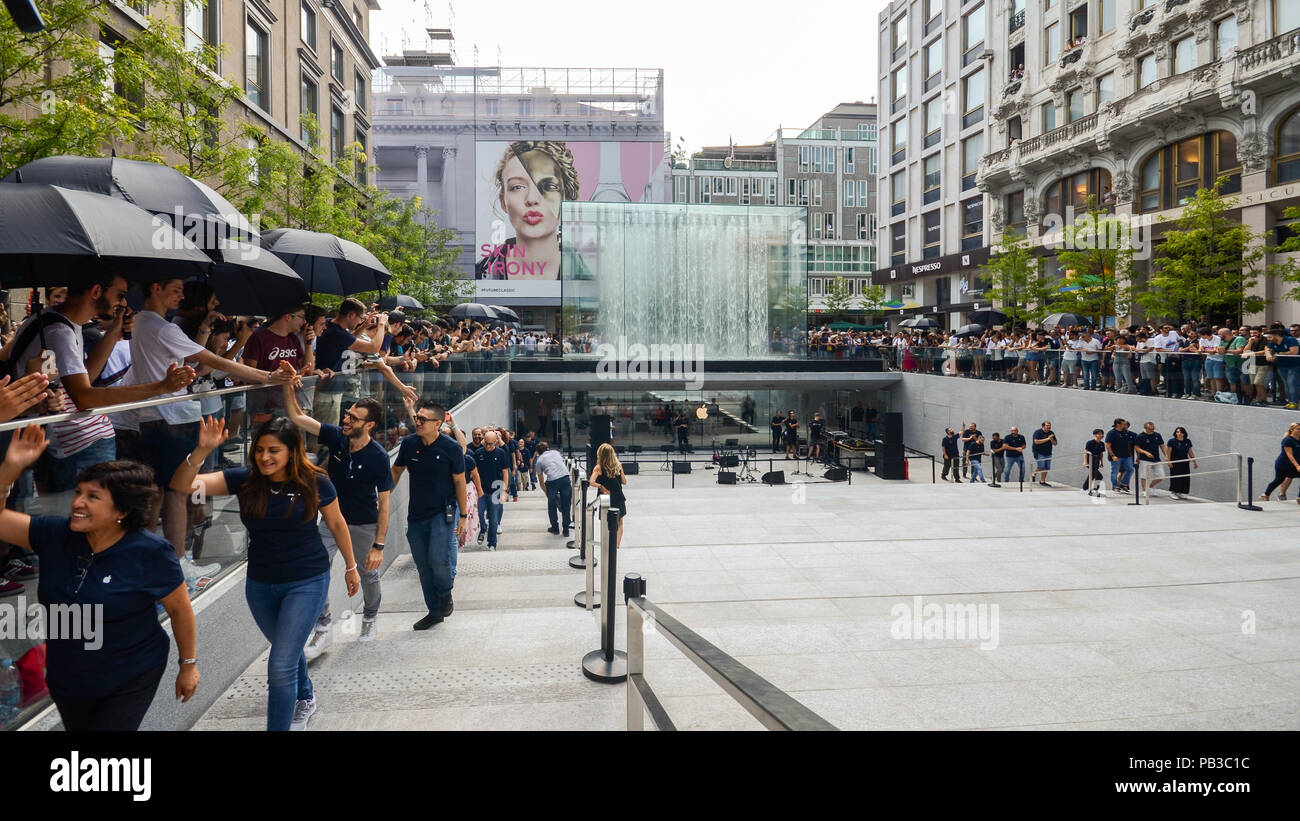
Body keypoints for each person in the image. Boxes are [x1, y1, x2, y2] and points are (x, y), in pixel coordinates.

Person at [0, 426, 198, 730]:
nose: (78, 502)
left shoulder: (150, 551)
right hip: (68, 678)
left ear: (121, 510)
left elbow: (180, 610)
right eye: (78, 493)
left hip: (130, 675)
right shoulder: (55, 534)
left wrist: (188, 665)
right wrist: (9, 470)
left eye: (93, 496)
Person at [173, 416, 356, 731]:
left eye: (274, 450)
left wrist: (351, 567)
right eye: (259, 450)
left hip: (307, 581)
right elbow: (182, 485)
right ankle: (306, 698)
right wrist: (202, 450)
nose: (265, 457)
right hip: (260, 585)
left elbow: (337, 523)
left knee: (280, 665)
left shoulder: (316, 481)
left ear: (292, 452)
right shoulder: (245, 479)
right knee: (289, 649)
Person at [131, 277, 296, 559]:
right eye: (176, 290)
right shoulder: (161, 326)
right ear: (155, 288)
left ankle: (157, 561)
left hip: (155, 417)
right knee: (177, 493)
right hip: (172, 420)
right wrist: (269, 376)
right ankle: (178, 563)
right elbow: (214, 362)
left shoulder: (142, 323)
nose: (181, 297)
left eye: (183, 291)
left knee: (160, 492)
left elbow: (200, 363)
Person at [283, 386, 393, 653]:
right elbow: (297, 417)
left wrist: (378, 545)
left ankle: (369, 617)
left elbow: (385, 502)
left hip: (363, 524)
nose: (346, 420)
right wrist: (286, 384)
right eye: (347, 414)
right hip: (332, 521)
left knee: (368, 575)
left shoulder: (378, 457)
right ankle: (323, 628)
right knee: (315, 568)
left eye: (354, 418)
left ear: (370, 425)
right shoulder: (336, 437)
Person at [392, 401, 467, 628]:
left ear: (438, 423)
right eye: (417, 418)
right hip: (416, 514)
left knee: (438, 560)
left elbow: (459, 481)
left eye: (423, 419)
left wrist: (464, 515)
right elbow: (396, 471)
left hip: (442, 512)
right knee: (423, 565)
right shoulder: (409, 444)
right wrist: (382, 497)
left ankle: (445, 593)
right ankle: (434, 612)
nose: (417, 422)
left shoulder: (450, 447)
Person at [476, 141, 580, 281]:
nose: (532, 199)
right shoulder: (477, 276)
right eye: (517, 187)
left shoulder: (593, 276)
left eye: (548, 186)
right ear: (503, 201)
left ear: (566, 197)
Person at [475, 430, 511, 551]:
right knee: (479, 513)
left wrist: (505, 491)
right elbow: (474, 473)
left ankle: (492, 543)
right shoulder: (478, 453)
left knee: (494, 519)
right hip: (481, 490)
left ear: (495, 442)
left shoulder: (501, 453)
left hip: (496, 491)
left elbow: (505, 472)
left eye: (491, 443)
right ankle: (483, 528)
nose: (488, 446)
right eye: (486, 443)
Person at [587, 442, 626, 550]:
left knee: (606, 522)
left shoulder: (598, 467)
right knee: (620, 522)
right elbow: (624, 481)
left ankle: (608, 544)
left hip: (606, 498)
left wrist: (601, 486)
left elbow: (591, 482)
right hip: (618, 496)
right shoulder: (618, 465)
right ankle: (616, 546)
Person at [534, 441, 571, 536]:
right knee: (566, 504)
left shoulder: (539, 461)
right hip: (565, 477)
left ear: (538, 452)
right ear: (547, 449)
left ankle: (555, 527)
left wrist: (548, 493)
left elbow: (541, 481)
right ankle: (566, 529)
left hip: (552, 481)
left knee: (552, 505)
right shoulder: (556, 452)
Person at [1260, 422, 1300, 502]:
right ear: (1292, 430)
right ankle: (1265, 495)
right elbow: (1290, 455)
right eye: (1298, 429)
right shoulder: (1287, 440)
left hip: (1294, 465)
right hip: (1283, 464)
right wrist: (1297, 466)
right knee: (1279, 480)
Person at [1134, 421, 1168, 497]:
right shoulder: (1140, 436)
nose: (1152, 430)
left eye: (1153, 428)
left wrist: (1166, 455)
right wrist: (1146, 452)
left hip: (1156, 459)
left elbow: (1162, 446)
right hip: (1144, 459)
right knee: (1144, 476)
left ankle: (1150, 487)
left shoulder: (1157, 435)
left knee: (1161, 475)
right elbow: (1136, 447)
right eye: (1150, 429)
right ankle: (1144, 490)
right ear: (1145, 428)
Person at [1104, 418, 1135, 494]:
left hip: (1127, 456)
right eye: (1124, 424)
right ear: (1118, 424)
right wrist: (1112, 455)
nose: (1125, 425)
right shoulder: (1111, 433)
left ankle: (1123, 484)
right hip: (1116, 456)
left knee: (1131, 469)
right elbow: (1108, 445)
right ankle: (1115, 486)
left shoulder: (1125, 432)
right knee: (1115, 472)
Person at [1166, 427, 1197, 500]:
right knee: (1176, 477)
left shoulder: (1188, 441)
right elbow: (1168, 452)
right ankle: (1173, 492)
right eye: (1177, 432)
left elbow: (1190, 452)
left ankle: (1180, 492)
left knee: (1184, 478)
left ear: (1184, 433)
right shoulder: (1172, 441)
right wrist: (1168, 461)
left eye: (1180, 432)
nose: (1179, 433)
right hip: (1175, 462)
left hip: (1185, 462)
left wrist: (1194, 461)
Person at [1031, 421, 1057, 486]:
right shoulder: (1037, 432)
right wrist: (1048, 439)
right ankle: (1034, 473)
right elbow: (1036, 442)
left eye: (1050, 425)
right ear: (1043, 426)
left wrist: (1051, 439)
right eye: (1047, 425)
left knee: (1046, 467)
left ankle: (1042, 481)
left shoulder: (1051, 433)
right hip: (1039, 452)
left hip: (1048, 452)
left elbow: (1055, 443)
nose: (1049, 427)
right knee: (1041, 466)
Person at [1083, 429, 1106, 496]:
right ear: (1095, 435)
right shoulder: (1090, 443)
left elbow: (1101, 454)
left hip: (1097, 462)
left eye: (1102, 434)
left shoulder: (1102, 444)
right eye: (1099, 434)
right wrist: (1085, 461)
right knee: (1099, 476)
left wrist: (1101, 462)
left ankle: (1085, 487)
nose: (1101, 435)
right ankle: (1094, 489)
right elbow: (1086, 452)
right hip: (1089, 462)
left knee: (1092, 475)